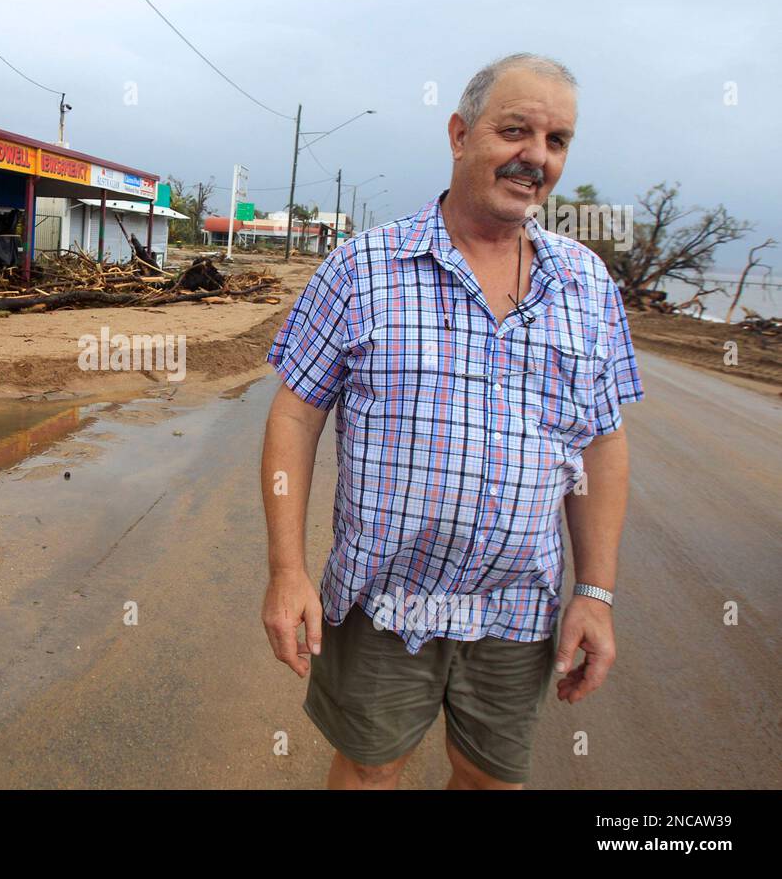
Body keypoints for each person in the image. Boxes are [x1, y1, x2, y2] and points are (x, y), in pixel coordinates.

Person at [260, 53, 644, 789]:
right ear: (460, 134)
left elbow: (601, 444)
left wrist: (594, 595)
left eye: (557, 140)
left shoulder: (586, 284)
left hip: (518, 612)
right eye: (515, 131)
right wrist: (287, 571)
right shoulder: (364, 268)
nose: (535, 157)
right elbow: (295, 415)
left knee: (490, 779)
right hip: (381, 601)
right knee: (371, 770)